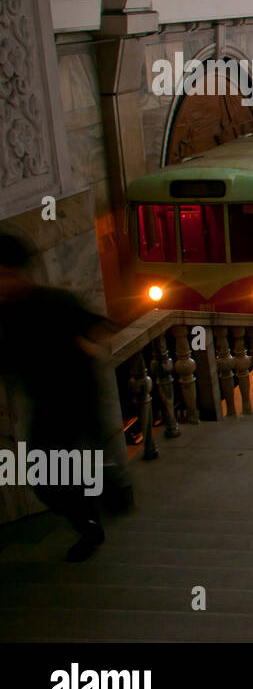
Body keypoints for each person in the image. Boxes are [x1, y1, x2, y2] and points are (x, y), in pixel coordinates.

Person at [0, 233, 126, 562]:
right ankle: (91, 512)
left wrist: (89, 343)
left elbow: (97, 326)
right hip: (44, 401)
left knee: (71, 466)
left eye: (6, 275)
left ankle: (97, 508)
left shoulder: (53, 302)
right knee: (46, 479)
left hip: (77, 397)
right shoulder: (7, 312)